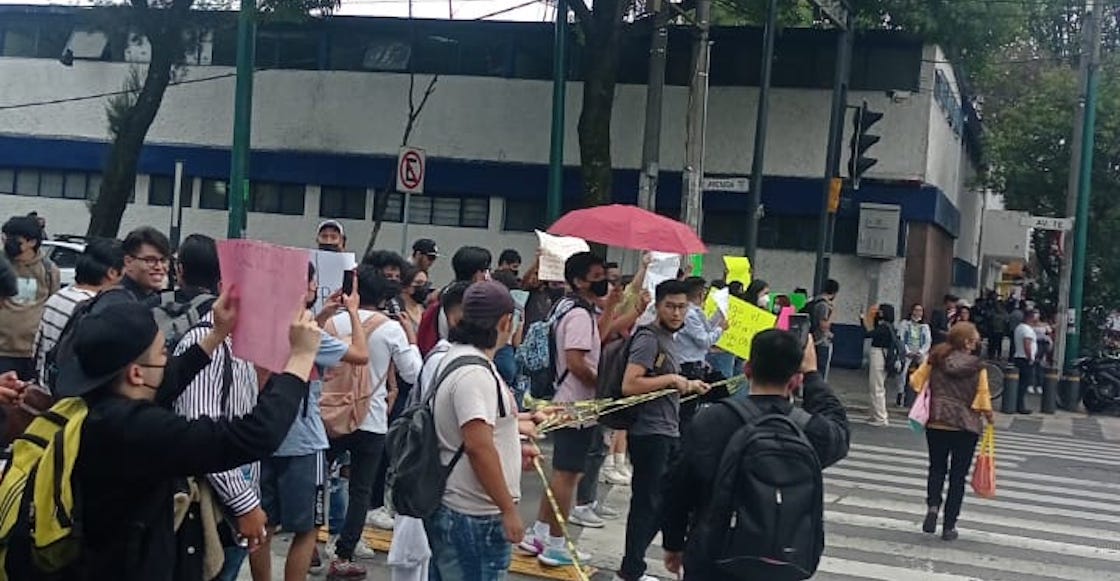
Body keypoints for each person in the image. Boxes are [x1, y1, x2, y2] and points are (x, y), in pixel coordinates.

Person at [23, 294, 321, 581]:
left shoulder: (97, 405)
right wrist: (300, 359)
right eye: (163, 352)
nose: (168, 359)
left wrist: (216, 335)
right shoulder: (137, 430)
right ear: (136, 374)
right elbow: (254, 436)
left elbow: (170, 378)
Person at [662, 329, 850, 580]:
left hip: (714, 557)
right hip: (783, 561)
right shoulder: (808, 430)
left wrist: (674, 543)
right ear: (795, 381)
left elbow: (678, 487)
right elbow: (839, 429)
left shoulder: (711, 420)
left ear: (747, 369)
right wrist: (813, 375)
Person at [255, 264, 369, 581]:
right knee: (307, 529)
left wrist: (322, 316)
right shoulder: (312, 336)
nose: (316, 287)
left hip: (262, 437)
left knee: (262, 526)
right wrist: (353, 311)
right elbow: (360, 354)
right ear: (301, 287)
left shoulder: (262, 328)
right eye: (312, 281)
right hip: (303, 443)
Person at [168, 234, 263, 581]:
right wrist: (245, 504)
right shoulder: (204, 340)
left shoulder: (238, 340)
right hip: (214, 499)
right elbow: (201, 430)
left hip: (235, 488)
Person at [425, 281, 525, 580]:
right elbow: (479, 447)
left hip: (459, 508)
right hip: (474, 516)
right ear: (506, 321)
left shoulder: (459, 356)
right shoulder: (475, 373)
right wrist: (508, 510)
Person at [327, 267, 422, 578]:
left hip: (331, 414)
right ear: (382, 295)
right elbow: (413, 373)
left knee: (319, 481)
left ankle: (309, 543)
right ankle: (343, 555)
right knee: (361, 490)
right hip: (371, 418)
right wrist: (411, 338)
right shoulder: (391, 328)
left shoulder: (332, 321)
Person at [616, 279, 709, 581]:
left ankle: (633, 565)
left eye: (682, 307)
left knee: (661, 503)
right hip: (649, 433)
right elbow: (630, 384)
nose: (676, 313)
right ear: (657, 306)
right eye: (670, 306)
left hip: (667, 430)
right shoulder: (649, 338)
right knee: (647, 504)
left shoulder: (670, 339)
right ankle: (631, 570)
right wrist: (671, 380)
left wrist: (689, 385)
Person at [521, 252, 607, 566]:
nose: (603, 281)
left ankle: (540, 532)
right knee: (568, 476)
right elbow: (576, 361)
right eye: (597, 276)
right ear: (579, 280)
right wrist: (603, 384)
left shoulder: (565, 306)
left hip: (564, 399)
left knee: (562, 472)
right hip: (576, 406)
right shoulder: (580, 315)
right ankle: (557, 543)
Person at [909, 322, 993, 541]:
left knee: (937, 468)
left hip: (937, 421)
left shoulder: (936, 358)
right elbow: (982, 398)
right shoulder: (977, 367)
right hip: (965, 427)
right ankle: (949, 526)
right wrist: (989, 417)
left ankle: (933, 506)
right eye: (975, 341)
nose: (976, 344)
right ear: (967, 342)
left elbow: (915, 382)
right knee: (958, 476)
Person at [33, 237, 124, 390]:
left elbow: (38, 346)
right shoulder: (94, 308)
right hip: (69, 392)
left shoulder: (59, 296)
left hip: (46, 384)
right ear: (112, 273)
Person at [0, 215, 61, 378]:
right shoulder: (2, 266)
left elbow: (52, 305)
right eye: (5, 237)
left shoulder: (49, 270)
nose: (7, 242)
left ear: (32, 242)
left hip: (32, 352)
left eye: (15, 239)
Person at [417, 246, 491, 355]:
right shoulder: (466, 300)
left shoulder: (446, 292)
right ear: (476, 273)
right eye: (485, 270)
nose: (488, 276)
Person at [678, 276, 728, 423]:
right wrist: (721, 329)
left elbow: (707, 328)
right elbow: (705, 341)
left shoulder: (696, 312)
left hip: (697, 364)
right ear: (700, 294)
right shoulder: (689, 314)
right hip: (687, 366)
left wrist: (720, 313)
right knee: (687, 409)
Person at [863, 304, 897, 427]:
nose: (879, 313)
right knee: (876, 385)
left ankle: (881, 417)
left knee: (877, 386)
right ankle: (875, 414)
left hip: (879, 354)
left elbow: (869, 334)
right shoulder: (889, 327)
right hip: (884, 355)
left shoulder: (884, 327)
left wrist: (863, 320)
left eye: (881, 311)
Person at [898, 303, 932, 406]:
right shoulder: (905, 324)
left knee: (923, 371)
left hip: (920, 353)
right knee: (903, 373)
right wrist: (908, 351)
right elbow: (901, 338)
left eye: (920, 311)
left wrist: (920, 352)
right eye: (916, 310)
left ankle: (920, 395)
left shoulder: (925, 326)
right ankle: (901, 395)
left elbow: (928, 341)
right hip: (907, 352)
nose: (918, 313)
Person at [806, 279, 839, 380]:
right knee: (821, 373)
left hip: (812, 339)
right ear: (834, 293)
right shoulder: (824, 305)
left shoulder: (814, 301)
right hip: (821, 342)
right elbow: (824, 325)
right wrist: (833, 313)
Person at [1012, 309, 1038, 414]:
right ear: (1030, 318)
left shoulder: (1019, 328)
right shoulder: (1027, 330)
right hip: (1025, 359)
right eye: (1035, 318)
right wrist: (1030, 357)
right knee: (1023, 384)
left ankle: (1016, 404)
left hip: (1018, 357)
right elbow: (1027, 344)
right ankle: (1020, 406)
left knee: (1019, 383)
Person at [400, 266, 431, 330]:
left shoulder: (424, 309)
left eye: (426, 284)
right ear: (405, 286)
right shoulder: (397, 310)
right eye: (418, 282)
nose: (424, 287)